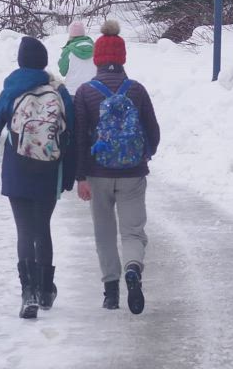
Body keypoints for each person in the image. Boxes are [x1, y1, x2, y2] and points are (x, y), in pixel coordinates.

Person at [0, 36, 76, 319]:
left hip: (17, 169)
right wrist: (68, 175)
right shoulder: (58, 91)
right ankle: (46, 290)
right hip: (49, 169)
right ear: (44, 62)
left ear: (21, 62)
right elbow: (72, 134)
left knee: (24, 230)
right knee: (42, 227)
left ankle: (29, 292)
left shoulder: (12, 90)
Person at [73, 19, 160, 314]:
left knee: (105, 233)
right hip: (132, 175)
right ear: (122, 58)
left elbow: (78, 138)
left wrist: (81, 176)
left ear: (97, 59)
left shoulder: (85, 93)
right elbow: (153, 131)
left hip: (97, 175)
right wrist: (143, 156)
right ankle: (133, 269)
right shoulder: (136, 90)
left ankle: (111, 291)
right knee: (133, 231)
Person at [58, 20, 95, 92]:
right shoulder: (96, 49)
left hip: (73, 91)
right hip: (93, 90)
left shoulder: (68, 51)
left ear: (71, 35)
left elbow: (63, 72)